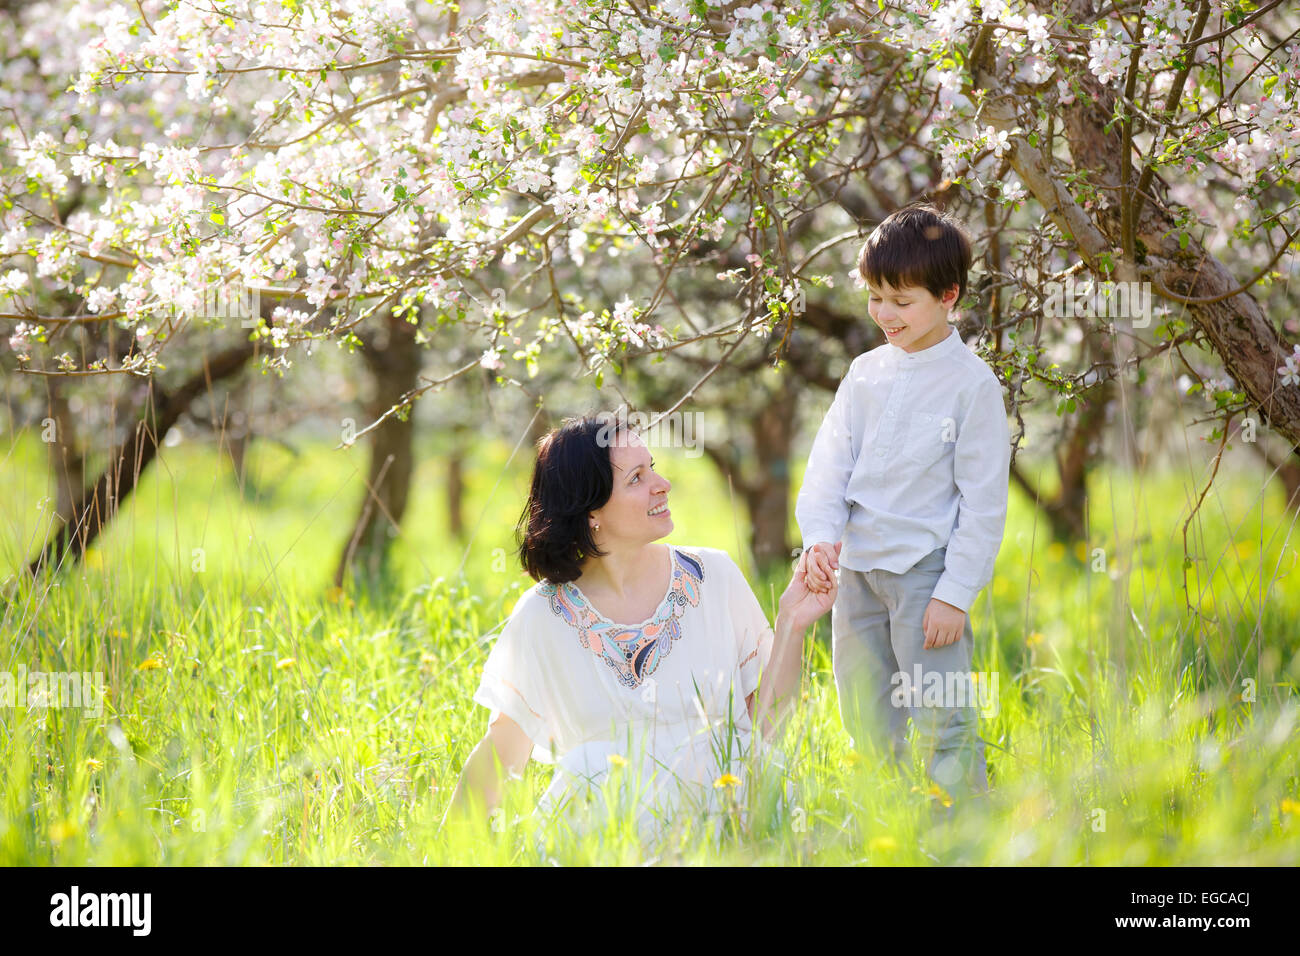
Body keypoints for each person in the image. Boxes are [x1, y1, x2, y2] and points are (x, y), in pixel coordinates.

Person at [442, 413, 836, 843]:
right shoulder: (542, 616)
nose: (662, 484)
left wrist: (791, 625)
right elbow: (500, 757)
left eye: (654, 467)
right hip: (606, 842)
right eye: (636, 478)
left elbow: (764, 734)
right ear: (590, 509)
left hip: (730, 829)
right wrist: (439, 854)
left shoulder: (713, 577)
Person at [795, 203, 1011, 803]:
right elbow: (830, 464)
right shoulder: (865, 374)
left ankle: (963, 830)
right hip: (858, 571)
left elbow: (983, 503)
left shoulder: (971, 386)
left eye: (901, 300)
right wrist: (820, 536)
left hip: (925, 577)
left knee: (943, 718)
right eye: (874, 297)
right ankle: (886, 823)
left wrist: (954, 593)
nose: (884, 314)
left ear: (948, 295)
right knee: (864, 711)